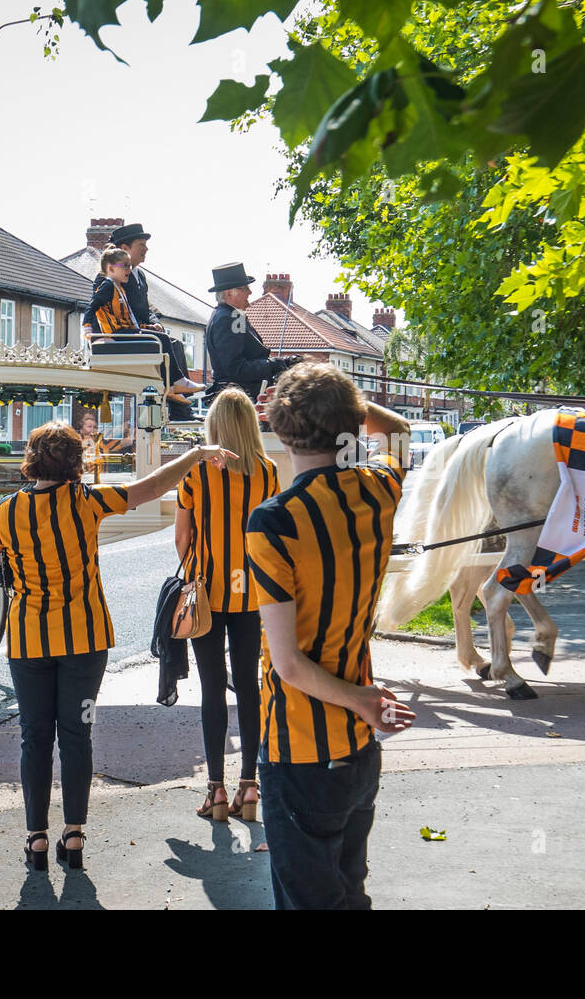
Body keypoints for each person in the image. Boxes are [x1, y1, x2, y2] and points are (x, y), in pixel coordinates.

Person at [0, 421, 232, 871]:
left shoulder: (3, 513)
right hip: (85, 639)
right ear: (77, 464)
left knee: (34, 738)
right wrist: (194, 455)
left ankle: (36, 839)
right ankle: (74, 837)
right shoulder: (88, 502)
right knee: (77, 735)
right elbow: (149, 489)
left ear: (32, 460)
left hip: (28, 642)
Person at [246, 362, 416, 909]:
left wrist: (363, 700)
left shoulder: (274, 521)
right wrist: (350, 407)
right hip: (359, 748)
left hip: (301, 747)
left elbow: (288, 663)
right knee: (350, 892)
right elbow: (397, 435)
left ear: (277, 427)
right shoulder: (378, 490)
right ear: (352, 423)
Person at [174, 387, 280, 822]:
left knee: (212, 687)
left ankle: (215, 790)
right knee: (251, 687)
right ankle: (249, 787)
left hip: (207, 589)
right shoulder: (269, 472)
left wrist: (196, 567)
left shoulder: (197, 473)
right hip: (251, 590)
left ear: (214, 427)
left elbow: (182, 537)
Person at [84, 245, 203, 420]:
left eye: (129, 266)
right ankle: (176, 383)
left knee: (161, 338)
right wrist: (88, 329)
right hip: (118, 334)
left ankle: (172, 386)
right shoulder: (107, 286)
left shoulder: (119, 288)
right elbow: (92, 306)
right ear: (110, 268)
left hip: (126, 331)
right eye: (124, 266)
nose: (128, 270)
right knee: (160, 340)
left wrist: (147, 328)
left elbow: (129, 319)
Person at [204, 263, 301, 402]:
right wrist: (276, 363)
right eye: (244, 288)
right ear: (228, 293)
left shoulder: (228, 315)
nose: (249, 292)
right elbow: (236, 368)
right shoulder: (230, 317)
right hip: (240, 400)